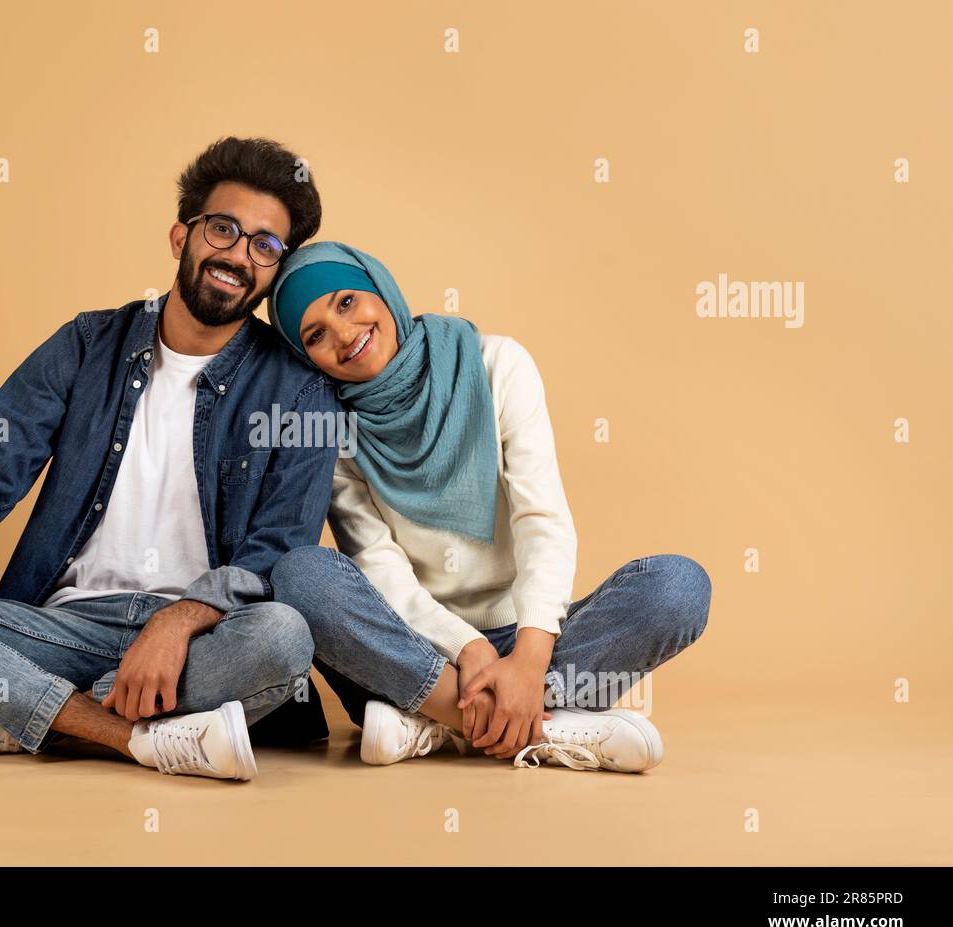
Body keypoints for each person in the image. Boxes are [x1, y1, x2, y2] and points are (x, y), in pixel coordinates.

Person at [0, 137, 340, 781]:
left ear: (275, 269)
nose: (238, 255)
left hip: (202, 641)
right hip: (63, 630)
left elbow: (279, 548)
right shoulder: (86, 344)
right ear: (181, 237)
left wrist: (174, 623)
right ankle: (132, 737)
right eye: (223, 229)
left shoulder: (300, 390)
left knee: (282, 637)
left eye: (264, 245)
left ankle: (15, 715)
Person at [266, 241, 713, 771]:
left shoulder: (496, 362)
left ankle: (435, 721)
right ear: (303, 355)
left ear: (381, 289)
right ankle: (545, 726)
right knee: (301, 576)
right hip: (415, 648)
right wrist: (470, 651)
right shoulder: (335, 428)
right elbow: (380, 568)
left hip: (526, 634)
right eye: (314, 334)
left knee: (678, 586)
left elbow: (540, 520)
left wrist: (527, 660)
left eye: (346, 302)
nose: (343, 334)